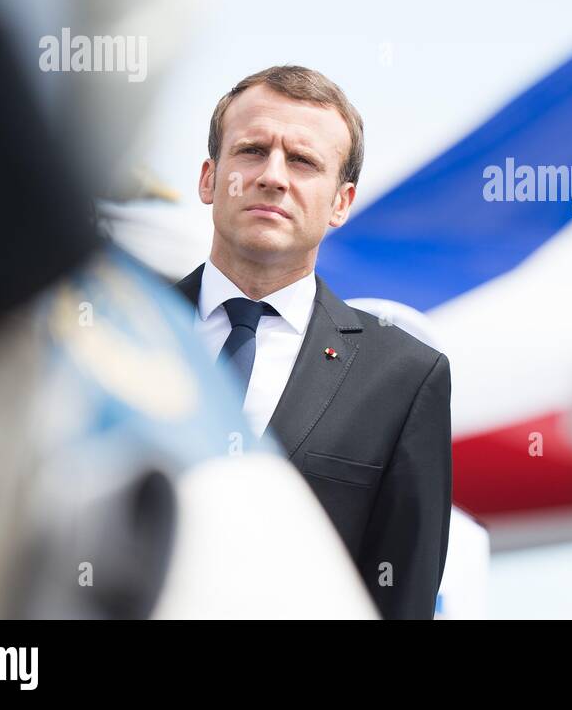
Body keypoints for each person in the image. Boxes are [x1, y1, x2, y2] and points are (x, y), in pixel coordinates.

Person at [174, 65, 452, 619]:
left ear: (341, 203)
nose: (273, 176)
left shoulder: (402, 379)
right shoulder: (113, 332)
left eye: (302, 161)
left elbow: (401, 600)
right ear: (209, 178)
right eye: (252, 151)